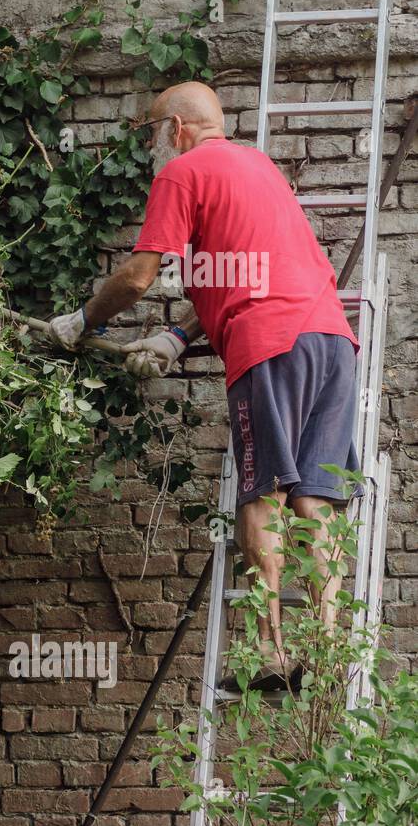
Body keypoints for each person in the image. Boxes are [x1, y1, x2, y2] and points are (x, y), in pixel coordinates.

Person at [47, 81, 360, 691]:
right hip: (330, 339)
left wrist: (83, 319)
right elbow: (249, 269)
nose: (150, 148)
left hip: (268, 346)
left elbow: (139, 277)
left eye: (151, 132)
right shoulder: (259, 167)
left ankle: (269, 659)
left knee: (261, 495)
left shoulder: (183, 173)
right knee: (317, 500)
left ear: (176, 129)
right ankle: (328, 653)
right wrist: (178, 337)